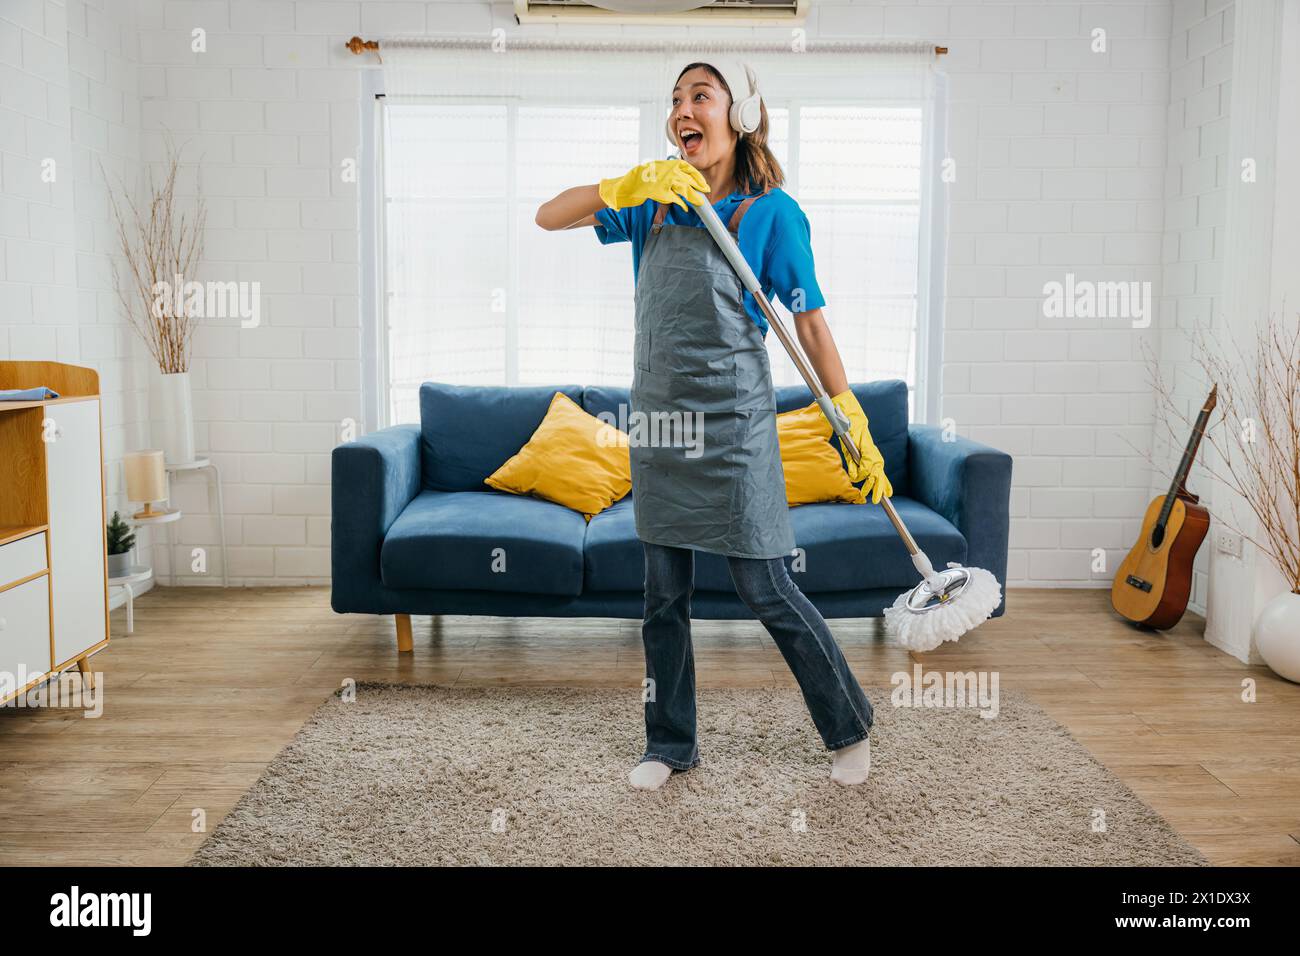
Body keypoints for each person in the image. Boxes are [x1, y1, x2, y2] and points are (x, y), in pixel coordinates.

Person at [535, 59, 893, 791]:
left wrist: (847, 413)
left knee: (766, 588)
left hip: (734, 428)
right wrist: (621, 186)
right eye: (674, 100)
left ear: (742, 114)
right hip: (662, 425)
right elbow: (548, 215)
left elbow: (811, 325)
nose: (682, 111)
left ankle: (847, 724)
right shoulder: (654, 202)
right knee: (662, 597)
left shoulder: (773, 214)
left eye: (700, 96)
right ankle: (669, 744)